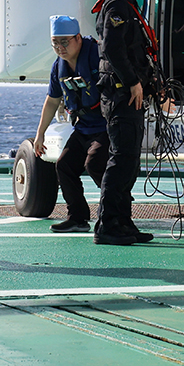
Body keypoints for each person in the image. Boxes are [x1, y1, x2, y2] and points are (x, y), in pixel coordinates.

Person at [91, 0, 157, 246]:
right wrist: (132, 83)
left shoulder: (126, 5)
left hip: (128, 92)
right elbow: (115, 51)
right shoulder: (117, 5)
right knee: (121, 160)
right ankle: (107, 224)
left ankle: (123, 221)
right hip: (121, 93)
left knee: (129, 161)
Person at [33, 14, 108, 233]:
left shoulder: (97, 55)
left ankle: (113, 209)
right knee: (64, 166)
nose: (59, 47)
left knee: (94, 163)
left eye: (64, 41)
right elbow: (51, 101)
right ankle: (78, 218)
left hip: (105, 126)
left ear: (77, 38)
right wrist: (40, 135)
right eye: (55, 42)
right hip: (83, 127)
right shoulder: (58, 67)